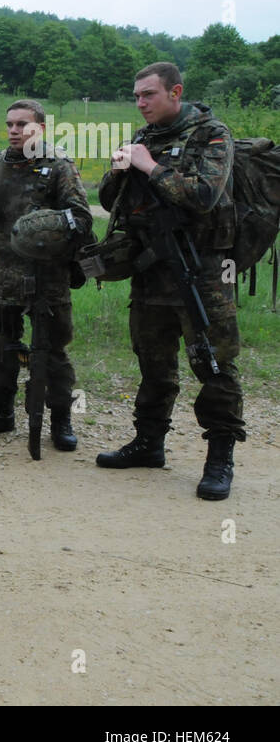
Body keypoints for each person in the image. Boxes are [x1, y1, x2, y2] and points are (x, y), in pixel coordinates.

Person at [96, 62, 243, 500]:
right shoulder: (143, 139)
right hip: (151, 268)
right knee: (152, 360)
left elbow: (203, 196)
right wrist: (119, 170)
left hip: (201, 271)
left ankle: (220, 458)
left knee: (214, 363)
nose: (140, 103)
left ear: (175, 92)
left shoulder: (210, 134)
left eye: (149, 95)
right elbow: (111, 203)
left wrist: (150, 167)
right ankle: (149, 443)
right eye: (137, 96)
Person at [0, 99, 90, 451]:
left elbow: (80, 218)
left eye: (23, 124)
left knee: (53, 352)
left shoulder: (59, 166)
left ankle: (60, 420)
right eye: (10, 125)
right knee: (1, 348)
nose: (15, 131)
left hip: (46, 278)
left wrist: (48, 230)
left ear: (42, 128)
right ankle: (2, 413)